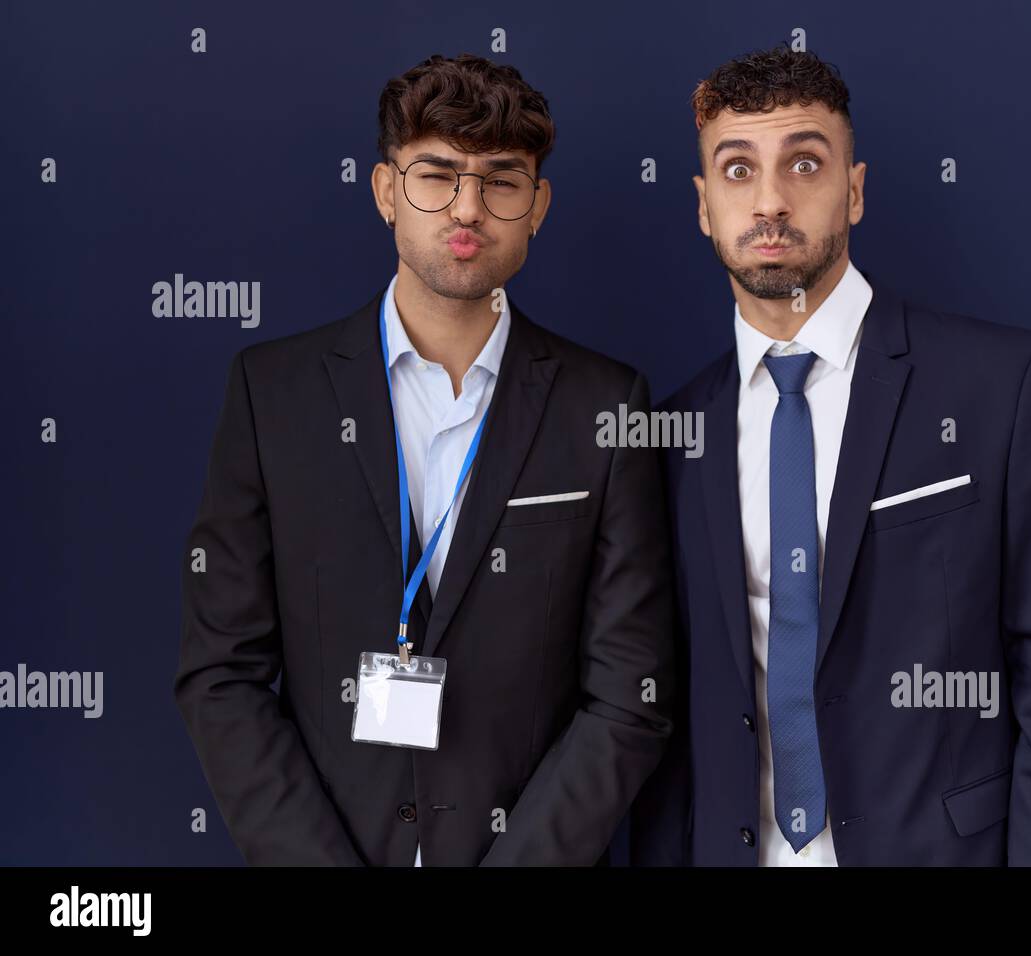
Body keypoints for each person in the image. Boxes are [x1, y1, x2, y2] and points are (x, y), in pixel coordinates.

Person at [629, 45, 1031, 866]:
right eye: (738, 170)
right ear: (704, 205)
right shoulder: (673, 432)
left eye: (805, 163)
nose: (772, 200)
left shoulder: (1004, 384)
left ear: (854, 190)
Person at [175, 53, 674, 866]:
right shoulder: (273, 394)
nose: (467, 208)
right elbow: (220, 677)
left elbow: (629, 698)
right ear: (384, 191)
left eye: (501, 181)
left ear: (537, 205)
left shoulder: (607, 406)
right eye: (436, 175)